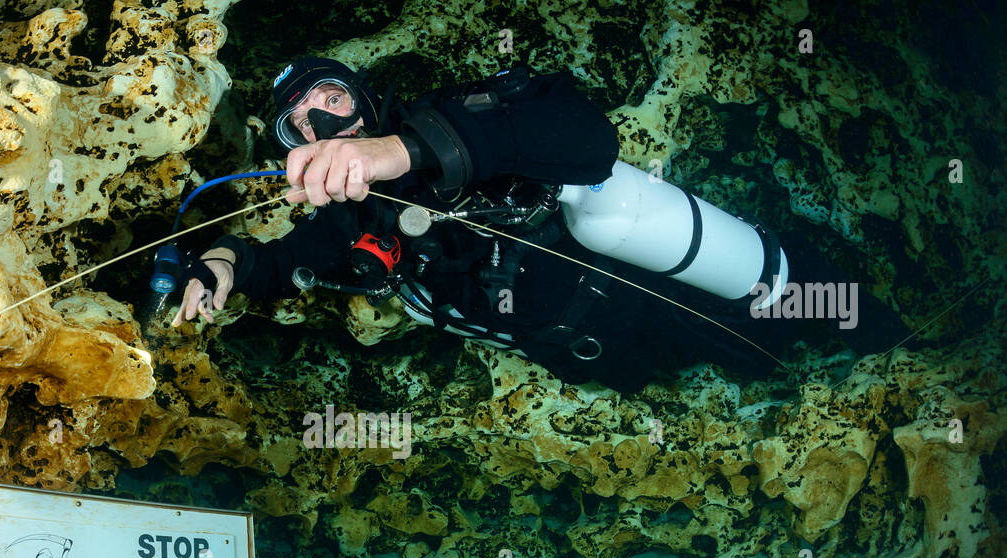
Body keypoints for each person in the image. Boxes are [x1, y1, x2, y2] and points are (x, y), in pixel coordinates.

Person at [172, 58, 903, 392]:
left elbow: (588, 144)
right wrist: (222, 266)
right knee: (748, 389)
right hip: (597, 365)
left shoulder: (465, 117)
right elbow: (273, 262)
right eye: (298, 126)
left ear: (360, 94)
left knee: (813, 326)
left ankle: (900, 341)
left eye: (327, 98)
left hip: (668, 297)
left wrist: (401, 151)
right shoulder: (352, 220)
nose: (321, 124)